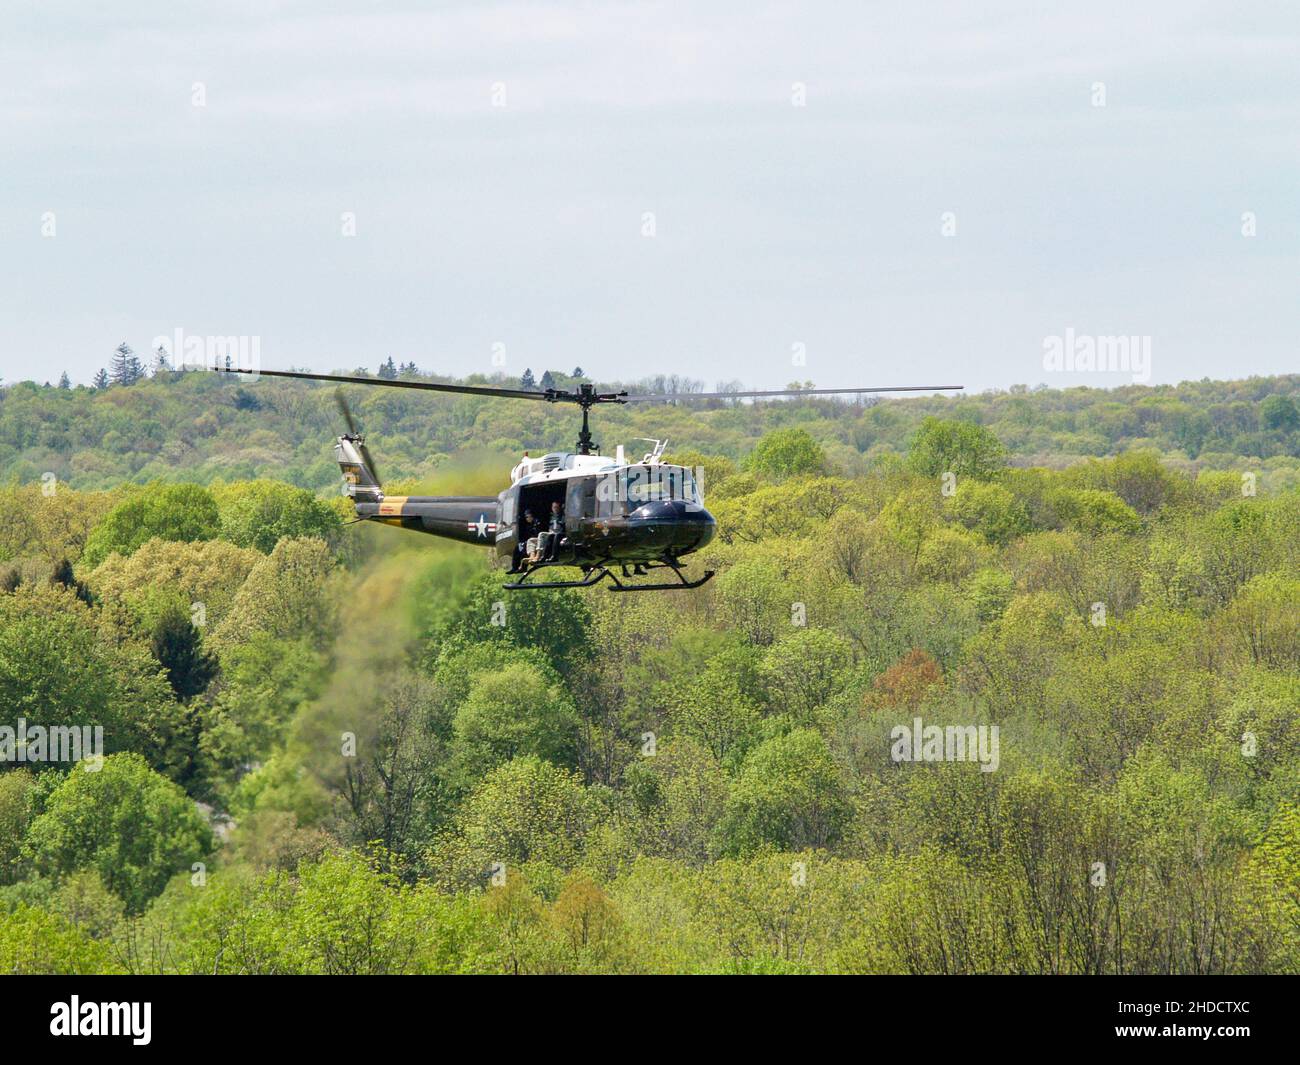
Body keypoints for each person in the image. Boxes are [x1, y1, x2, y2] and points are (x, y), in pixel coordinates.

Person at [511, 507, 541, 572]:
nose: (527, 519)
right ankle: (515, 567)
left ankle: (523, 566)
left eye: (527, 517)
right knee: (518, 548)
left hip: (537, 542)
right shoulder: (529, 525)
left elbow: (538, 535)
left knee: (524, 548)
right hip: (532, 541)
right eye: (526, 517)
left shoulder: (537, 523)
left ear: (531, 516)